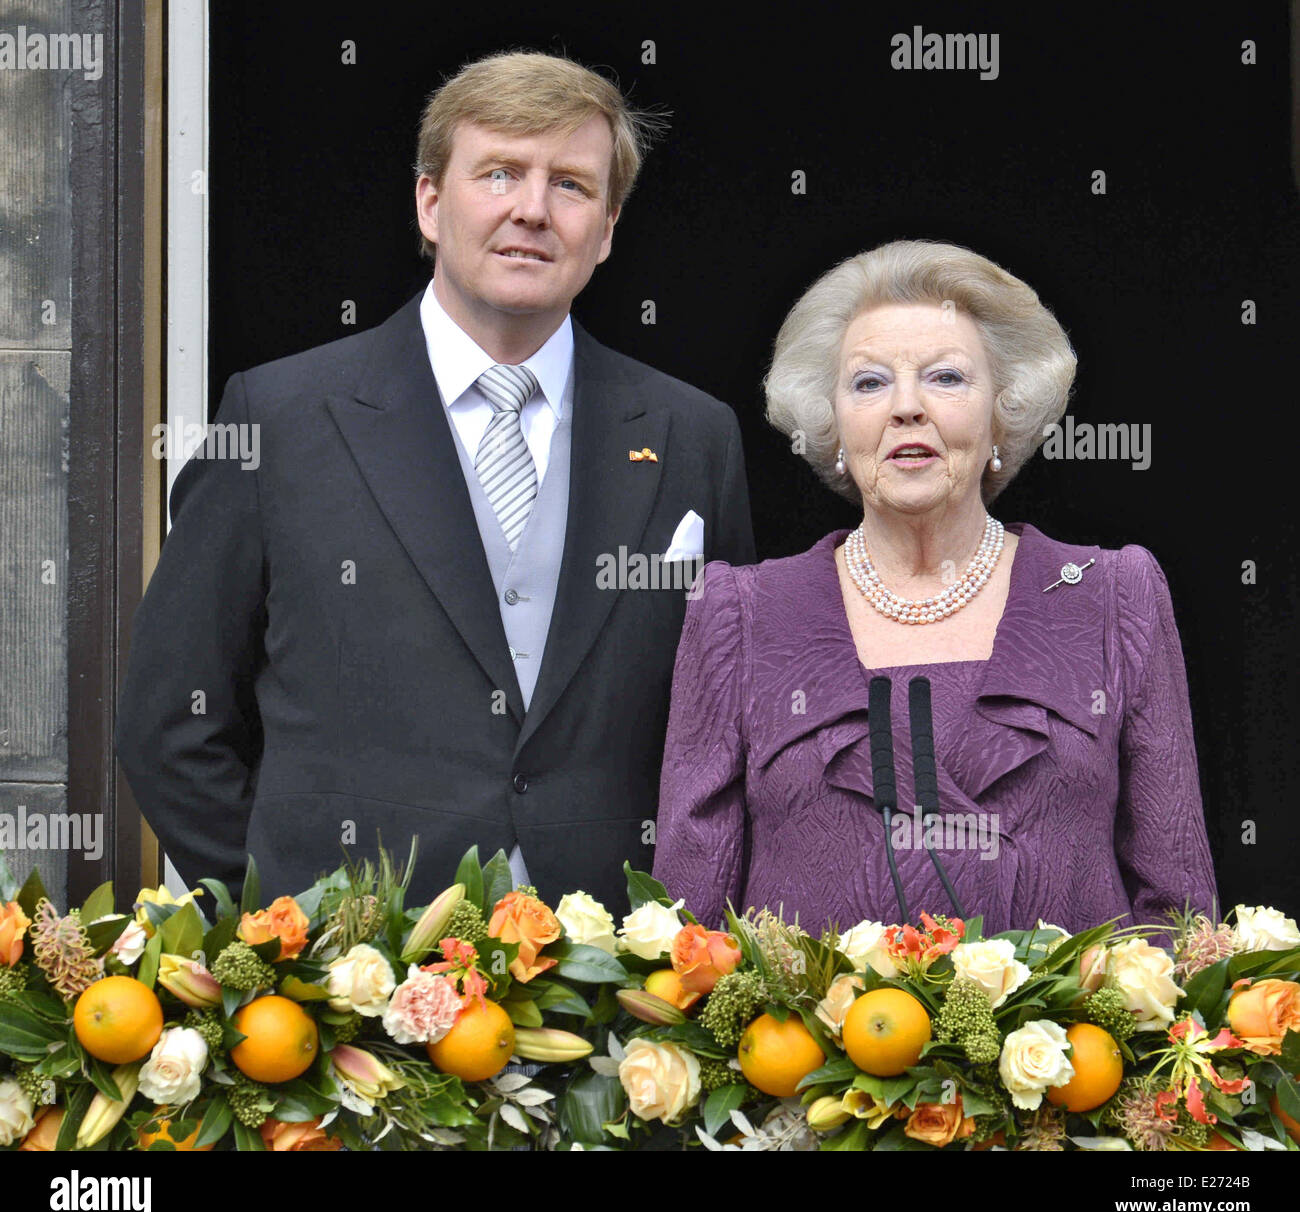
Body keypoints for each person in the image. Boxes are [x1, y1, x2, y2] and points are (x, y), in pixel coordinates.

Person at [115, 51, 755, 915]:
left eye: (570, 185)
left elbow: (724, 729)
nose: (532, 209)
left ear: (606, 230)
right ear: (429, 202)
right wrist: (286, 925)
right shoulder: (275, 416)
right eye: (499, 173)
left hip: (621, 996)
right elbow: (170, 723)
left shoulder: (693, 435)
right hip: (349, 1002)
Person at [653, 239, 1216, 937]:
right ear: (831, 425)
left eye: (946, 378)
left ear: (1001, 416)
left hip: (1075, 1049)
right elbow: (689, 934)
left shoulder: (1110, 596)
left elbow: (1180, 915)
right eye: (869, 383)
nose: (906, 408)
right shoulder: (740, 614)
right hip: (802, 1049)